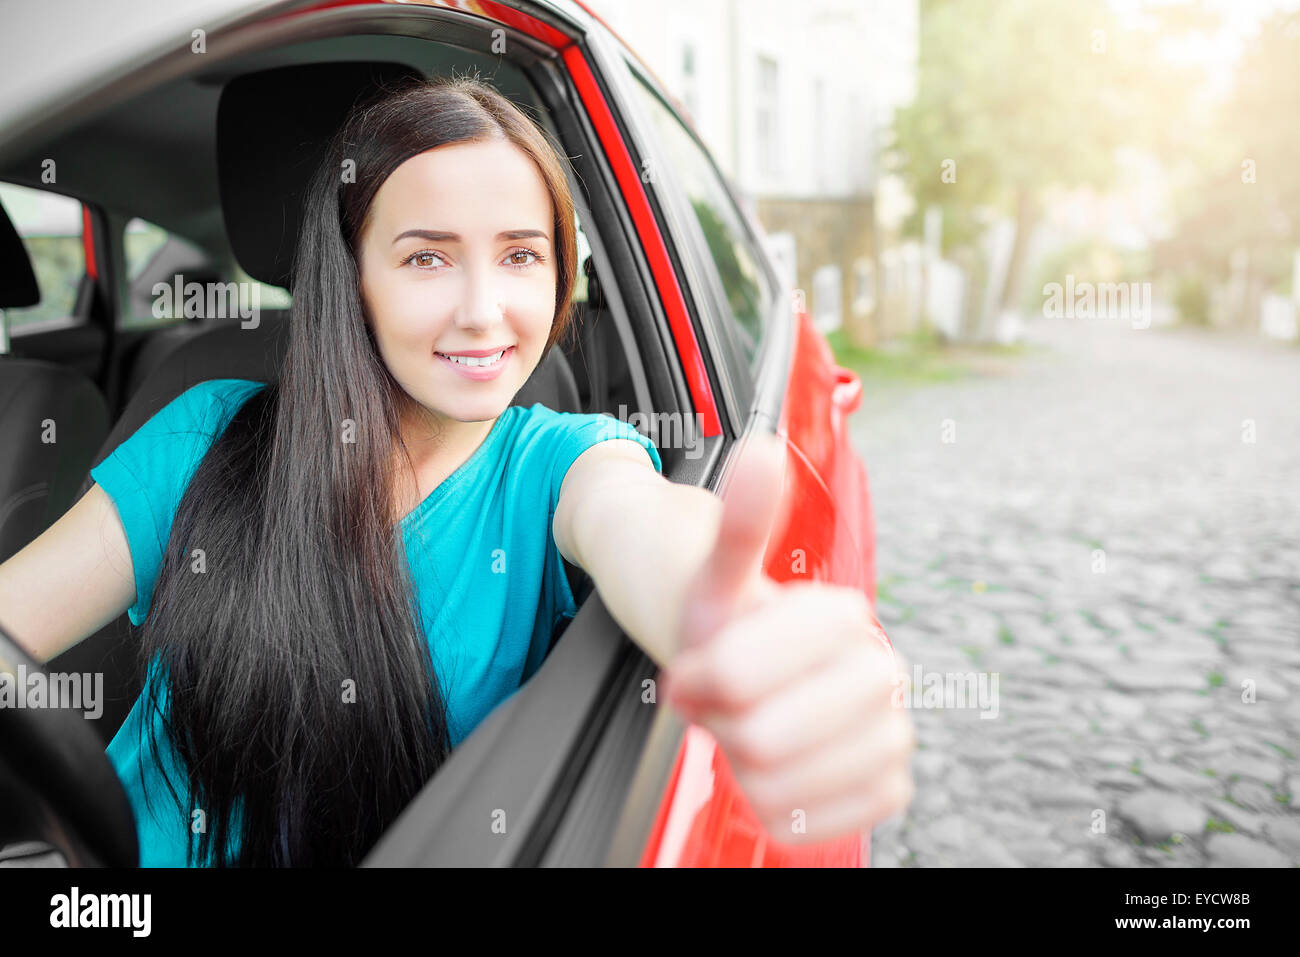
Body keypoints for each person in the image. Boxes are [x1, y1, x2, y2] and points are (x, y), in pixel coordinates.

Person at [0, 74, 914, 867]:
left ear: (560, 276)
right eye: (427, 256)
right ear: (352, 276)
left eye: (522, 254)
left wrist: (741, 626)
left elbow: (645, 525)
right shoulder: (207, 433)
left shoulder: (563, 464)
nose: (485, 311)